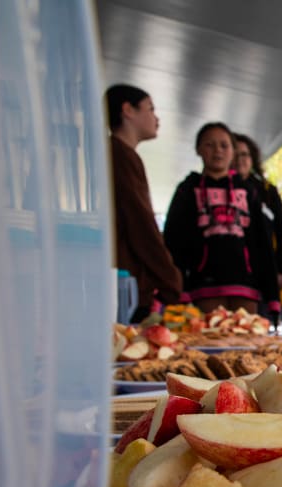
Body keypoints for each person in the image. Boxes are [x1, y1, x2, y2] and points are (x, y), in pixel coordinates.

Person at [163, 122, 279, 315]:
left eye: (224, 145)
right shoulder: (187, 190)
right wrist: (177, 287)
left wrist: (272, 295)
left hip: (245, 286)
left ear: (233, 151)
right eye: (210, 145)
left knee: (246, 332)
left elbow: (262, 243)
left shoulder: (248, 191)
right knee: (209, 332)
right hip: (204, 287)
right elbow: (174, 240)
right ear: (198, 150)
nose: (218, 151)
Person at [105, 84, 182, 322]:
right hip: (126, 283)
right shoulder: (120, 155)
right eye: (150, 109)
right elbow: (141, 222)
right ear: (128, 110)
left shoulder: (115, 153)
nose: (156, 118)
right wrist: (170, 278)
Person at [234, 134, 282, 315]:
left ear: (252, 158)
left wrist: (281, 270)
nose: (239, 160)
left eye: (244, 154)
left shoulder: (267, 192)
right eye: (235, 154)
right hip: (231, 276)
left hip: (263, 274)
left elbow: (281, 232)